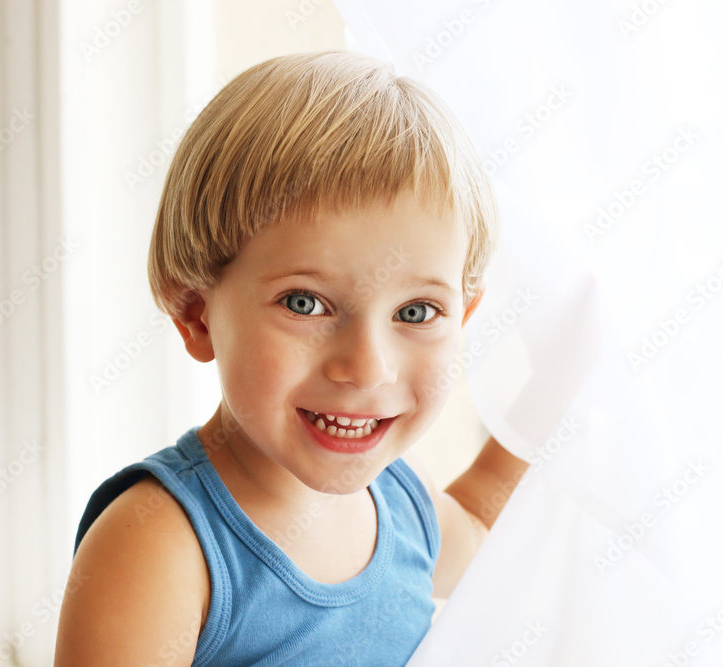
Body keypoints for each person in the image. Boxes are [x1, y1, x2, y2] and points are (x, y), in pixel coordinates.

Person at [54, 50, 529, 666]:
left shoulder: (403, 504)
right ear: (196, 314)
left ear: (463, 317)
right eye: (305, 303)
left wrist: (550, 407)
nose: (366, 368)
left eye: (415, 312)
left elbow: (476, 525)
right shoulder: (159, 543)